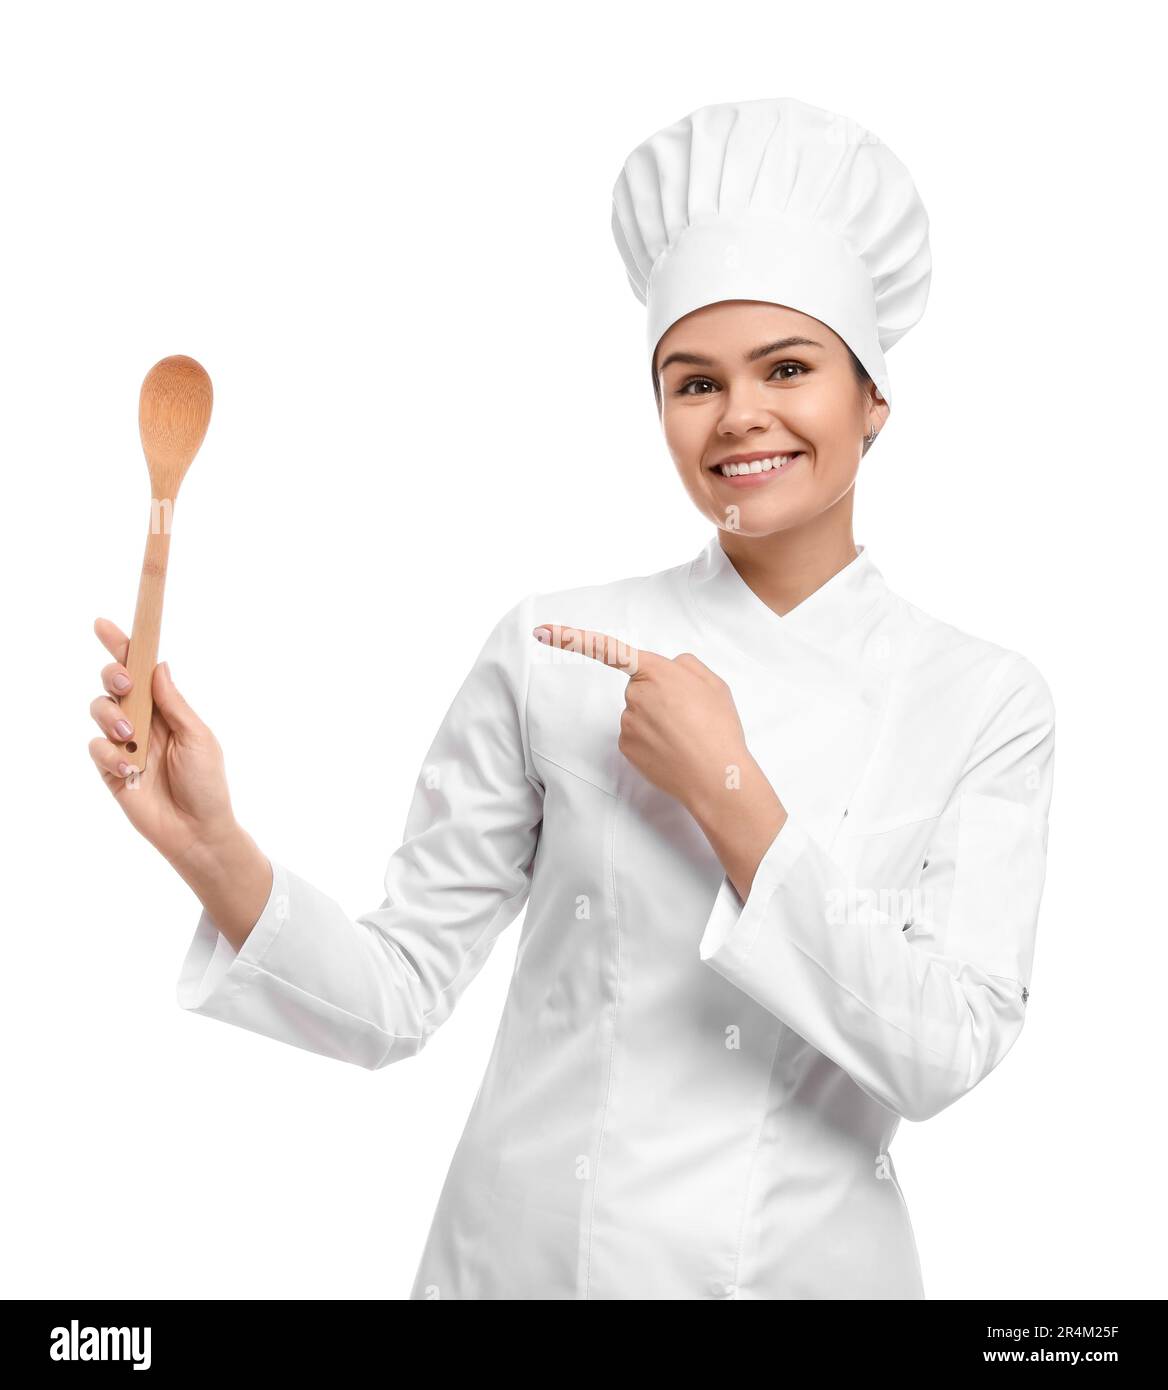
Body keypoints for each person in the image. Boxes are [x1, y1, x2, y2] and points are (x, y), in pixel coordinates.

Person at [88, 97, 1055, 1300]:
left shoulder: (978, 697)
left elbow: (941, 1053)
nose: (739, 414)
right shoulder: (556, 645)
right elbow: (394, 995)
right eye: (692, 382)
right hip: (524, 1267)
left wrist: (727, 789)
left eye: (789, 368)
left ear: (873, 402)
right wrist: (211, 846)